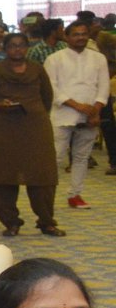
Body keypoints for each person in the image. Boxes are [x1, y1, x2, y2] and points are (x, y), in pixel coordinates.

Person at [0, 33, 61, 236]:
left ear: (27, 48)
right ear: (5, 48)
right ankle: (11, 222)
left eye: (21, 45)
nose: (17, 49)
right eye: (12, 45)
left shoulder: (37, 70)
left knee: (42, 176)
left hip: (35, 129)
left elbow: (47, 99)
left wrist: (35, 114)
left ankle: (47, 222)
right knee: (2, 178)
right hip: (0, 132)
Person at [45, 20, 108, 209]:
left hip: (91, 114)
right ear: (66, 36)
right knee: (56, 157)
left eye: (83, 34)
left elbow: (103, 87)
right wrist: (77, 106)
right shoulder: (54, 59)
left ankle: (75, 194)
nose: (80, 38)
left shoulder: (99, 58)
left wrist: (96, 109)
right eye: (76, 34)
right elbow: (52, 89)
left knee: (81, 157)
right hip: (62, 113)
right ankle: (47, 195)